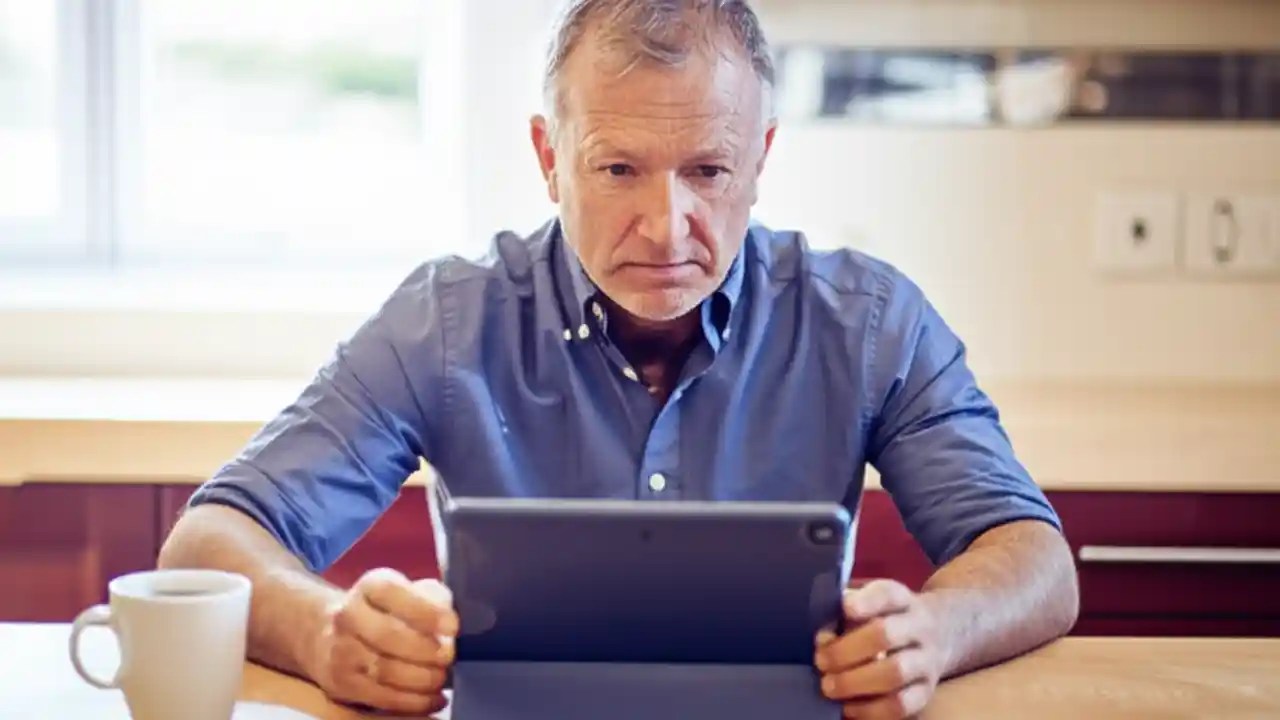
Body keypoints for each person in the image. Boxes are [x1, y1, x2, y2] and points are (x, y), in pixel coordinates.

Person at [158, 1, 1079, 717]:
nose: (667, 228)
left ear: (760, 159)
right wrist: (325, 632)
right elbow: (210, 540)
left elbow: (1035, 556)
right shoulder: (446, 321)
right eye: (617, 169)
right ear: (549, 157)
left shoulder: (869, 322)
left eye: (708, 171)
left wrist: (936, 631)